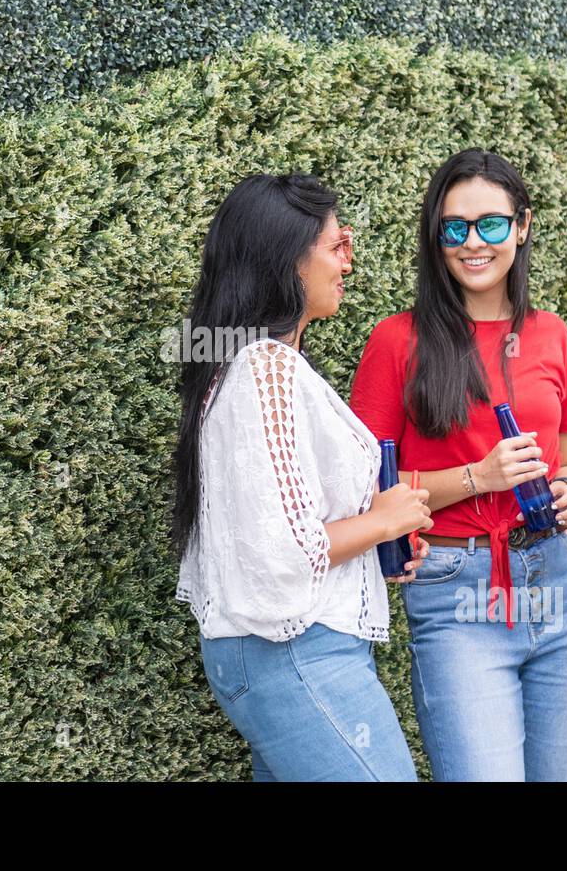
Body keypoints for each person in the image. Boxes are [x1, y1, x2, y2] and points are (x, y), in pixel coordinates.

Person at [172, 172, 433, 781]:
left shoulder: (257, 367)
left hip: (282, 653)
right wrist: (385, 518)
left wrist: (379, 536)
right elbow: (284, 555)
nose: (348, 259)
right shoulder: (265, 370)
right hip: (295, 653)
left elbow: (289, 529)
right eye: (335, 245)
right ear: (290, 260)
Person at [349, 148, 567, 781]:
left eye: (490, 223)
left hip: (559, 582)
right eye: (454, 227)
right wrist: (477, 478)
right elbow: (361, 491)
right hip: (456, 590)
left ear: (522, 225)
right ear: (436, 238)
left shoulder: (552, 335)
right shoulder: (395, 341)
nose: (472, 243)